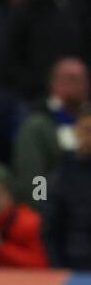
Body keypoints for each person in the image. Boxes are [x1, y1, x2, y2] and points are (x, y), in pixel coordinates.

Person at [2, 0, 91, 103]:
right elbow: (11, 61)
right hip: (36, 96)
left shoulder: (80, 7)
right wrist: (39, 86)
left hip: (79, 94)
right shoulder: (24, 10)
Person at [13, 57, 89, 212]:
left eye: (82, 79)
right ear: (54, 83)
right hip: (55, 211)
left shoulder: (87, 120)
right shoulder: (38, 125)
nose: (78, 85)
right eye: (70, 79)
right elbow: (34, 176)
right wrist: (41, 207)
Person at [45, 105, 91, 269]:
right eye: (87, 130)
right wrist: (58, 267)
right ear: (77, 132)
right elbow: (51, 228)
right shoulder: (60, 176)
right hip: (74, 262)